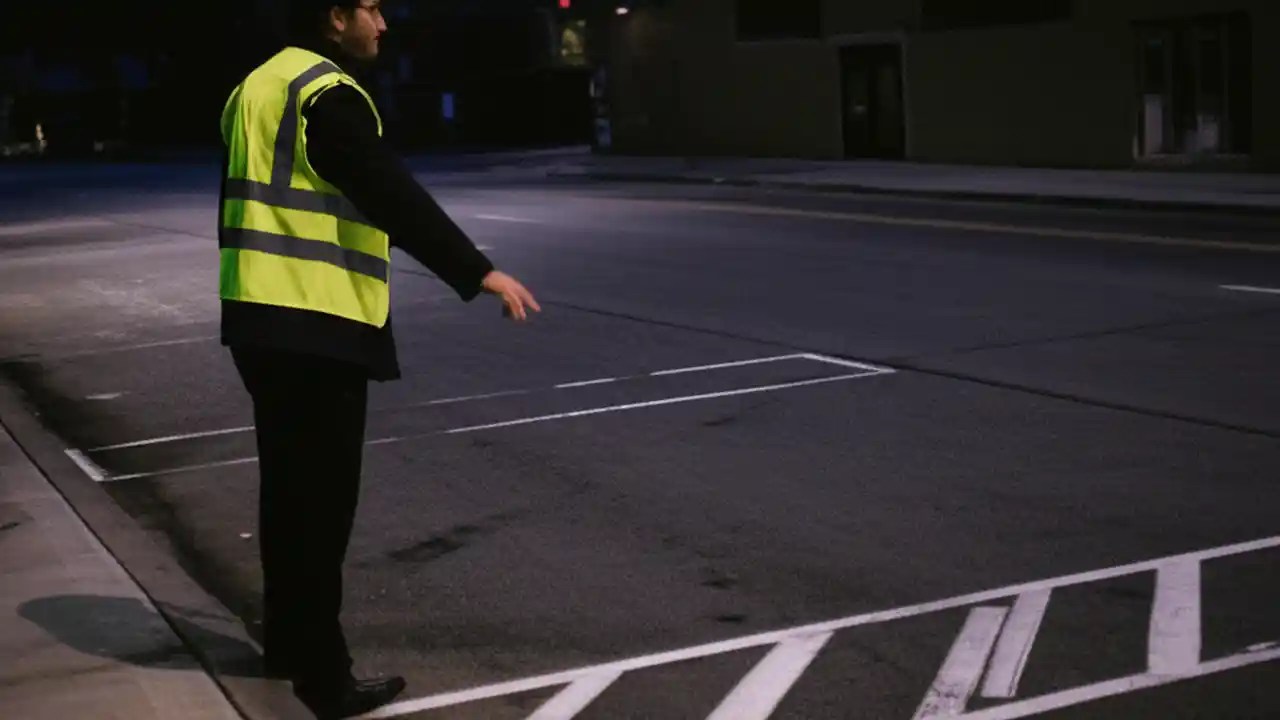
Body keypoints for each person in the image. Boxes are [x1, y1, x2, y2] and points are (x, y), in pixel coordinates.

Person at [218, 1, 540, 717]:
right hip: (317, 321)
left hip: (257, 318)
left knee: (287, 498)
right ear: (334, 17)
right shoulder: (326, 93)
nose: (384, 23)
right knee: (321, 510)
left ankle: (288, 647)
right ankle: (324, 678)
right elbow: (389, 190)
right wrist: (476, 270)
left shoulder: (256, 87)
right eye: (371, 7)